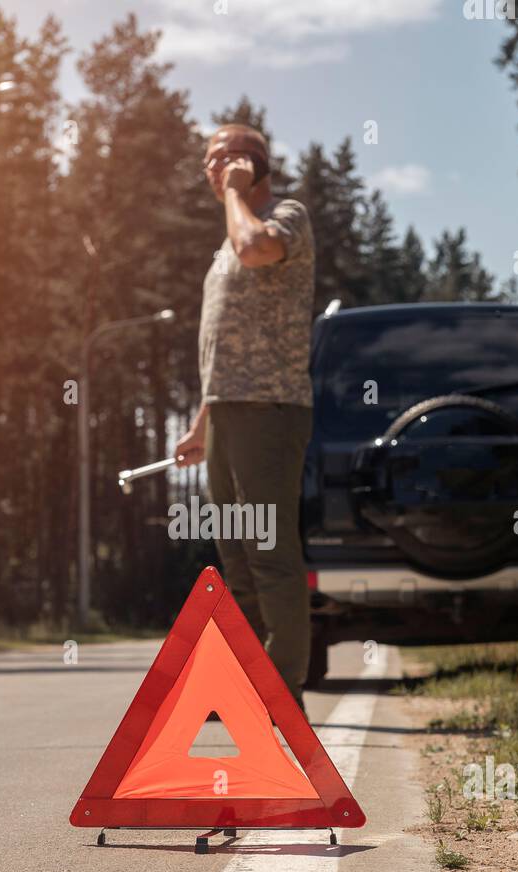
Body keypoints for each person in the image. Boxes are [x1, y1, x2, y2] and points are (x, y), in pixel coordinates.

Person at [175, 123, 316, 706]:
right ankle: (257, 690)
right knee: (236, 557)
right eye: (208, 162)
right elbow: (222, 345)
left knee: (269, 555)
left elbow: (256, 248)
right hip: (229, 415)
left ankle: (284, 694)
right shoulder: (224, 245)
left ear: (250, 165)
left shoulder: (285, 216)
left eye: (223, 160)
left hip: (270, 410)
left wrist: (237, 193)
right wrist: (202, 425)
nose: (212, 170)